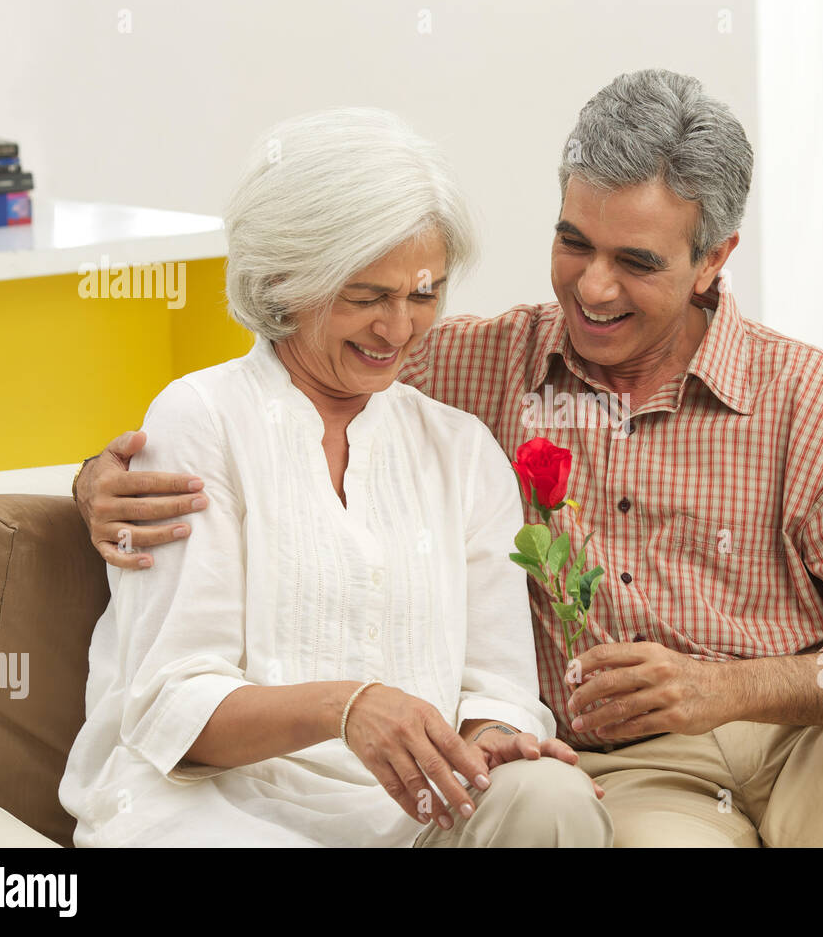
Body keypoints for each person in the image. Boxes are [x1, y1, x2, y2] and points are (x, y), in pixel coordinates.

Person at [74, 70, 823, 847]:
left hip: (811, 738)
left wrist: (729, 687)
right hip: (635, 773)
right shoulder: (467, 368)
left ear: (714, 261)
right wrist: (95, 479)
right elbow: (283, 378)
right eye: (573, 242)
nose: (592, 288)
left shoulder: (816, 403)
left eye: (637, 261)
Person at [58, 107, 612, 848]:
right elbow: (171, 713)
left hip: (409, 818)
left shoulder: (461, 449)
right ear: (287, 280)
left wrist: (493, 739)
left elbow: (497, 686)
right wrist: (346, 707)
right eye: (365, 297)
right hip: (220, 811)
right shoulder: (203, 419)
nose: (398, 329)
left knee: (551, 795)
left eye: (423, 295)